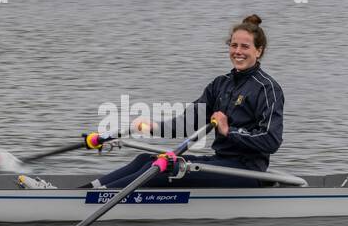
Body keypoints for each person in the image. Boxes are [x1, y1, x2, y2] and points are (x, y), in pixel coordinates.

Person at [32, 14, 285, 189]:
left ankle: (83, 200)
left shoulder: (268, 89)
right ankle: (84, 192)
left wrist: (229, 131)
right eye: (233, 45)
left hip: (245, 172)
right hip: (221, 163)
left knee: (166, 167)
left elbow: (271, 141)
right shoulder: (221, 84)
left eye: (245, 47)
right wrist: (155, 126)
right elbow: (189, 121)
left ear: (258, 50)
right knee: (145, 160)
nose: (237, 52)